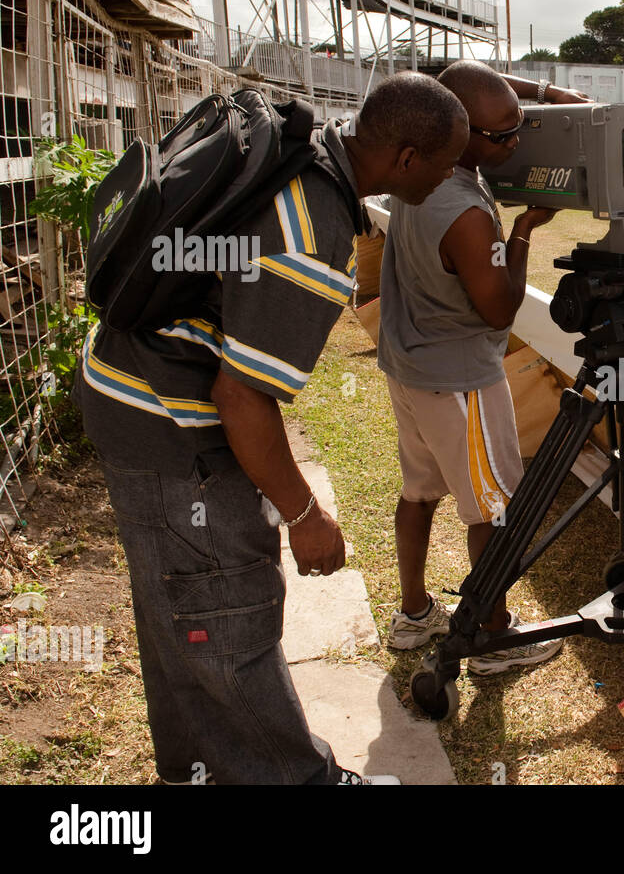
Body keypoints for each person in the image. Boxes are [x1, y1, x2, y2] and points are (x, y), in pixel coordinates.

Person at [76, 72, 470, 784]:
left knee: (182, 612)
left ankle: (192, 772)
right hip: (165, 418)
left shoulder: (308, 147)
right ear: (406, 158)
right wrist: (303, 512)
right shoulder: (310, 233)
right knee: (227, 610)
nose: (451, 177)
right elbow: (241, 400)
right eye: (446, 163)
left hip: (122, 386)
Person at [380, 62, 589, 671]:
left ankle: (415, 613)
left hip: (411, 367)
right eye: (500, 136)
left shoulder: (420, 173)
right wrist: (523, 229)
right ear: (460, 131)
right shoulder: (466, 211)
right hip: (460, 380)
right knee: (494, 509)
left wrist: (545, 94)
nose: (515, 142)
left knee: (419, 493)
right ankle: (493, 636)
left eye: (518, 126)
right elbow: (498, 311)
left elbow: (465, 78)